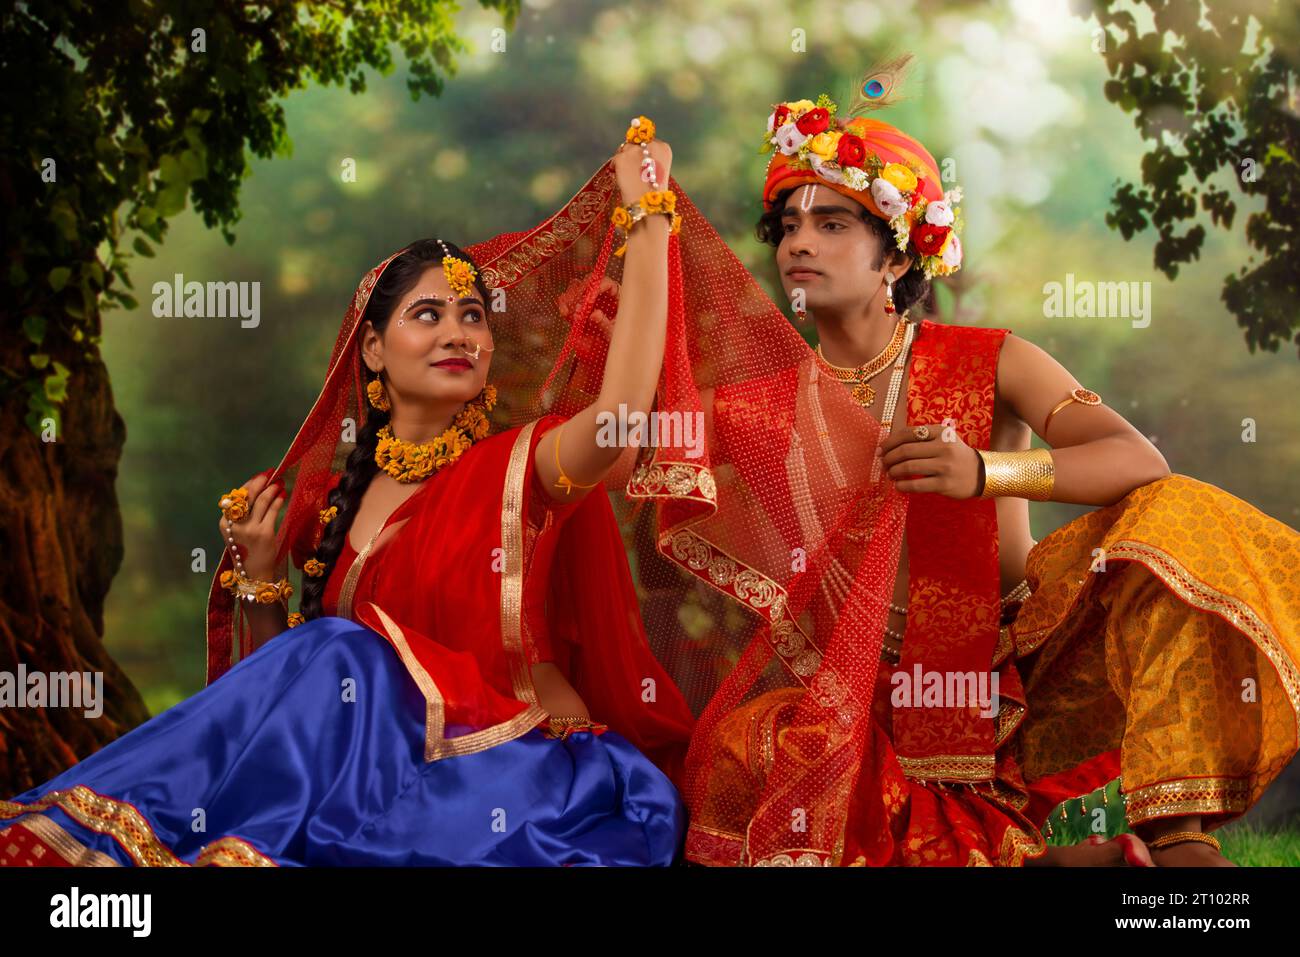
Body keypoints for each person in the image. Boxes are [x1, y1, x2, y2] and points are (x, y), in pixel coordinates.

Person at [0, 125, 697, 867]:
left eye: (472, 317)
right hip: (381, 796)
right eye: (427, 315)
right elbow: (270, 725)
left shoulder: (520, 469)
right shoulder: (328, 504)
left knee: (342, 649)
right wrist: (263, 579)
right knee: (332, 654)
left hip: (521, 783)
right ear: (371, 350)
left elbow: (620, 416)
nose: (458, 332)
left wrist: (647, 214)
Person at [670, 59, 1300, 866]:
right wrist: (652, 227)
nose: (798, 241)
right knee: (749, 743)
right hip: (866, 704)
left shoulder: (989, 359)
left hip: (1019, 678)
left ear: (897, 260)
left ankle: (1174, 829)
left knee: (1175, 519)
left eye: (832, 224)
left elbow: (1136, 459)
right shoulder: (764, 404)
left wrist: (987, 473)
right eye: (789, 224)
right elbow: (640, 446)